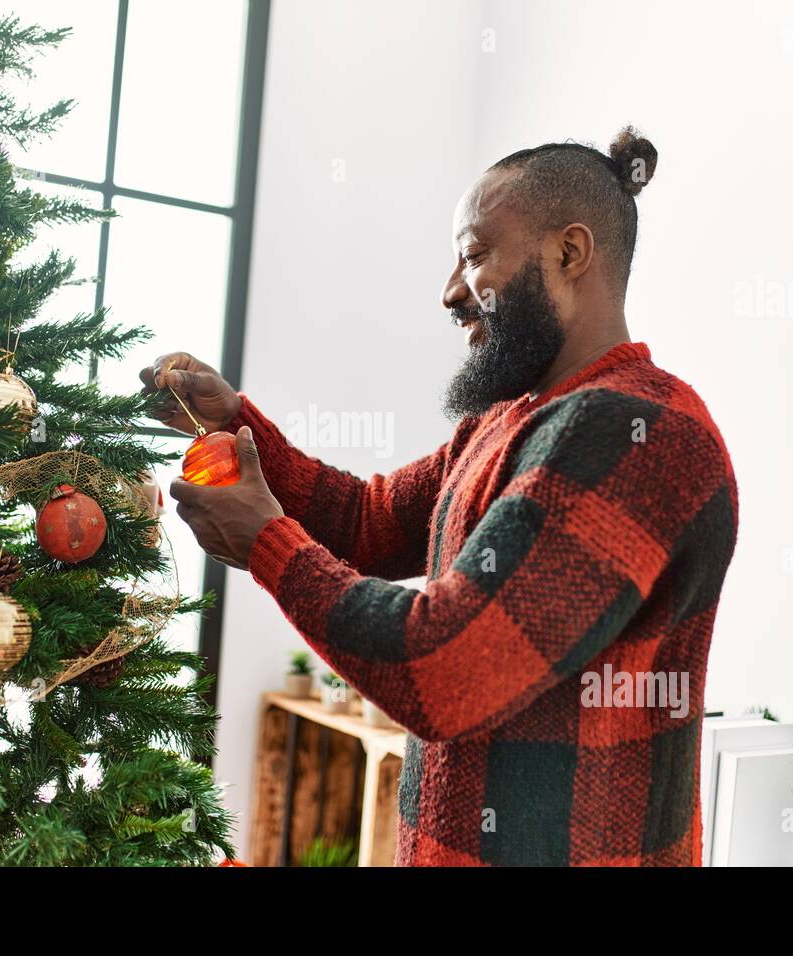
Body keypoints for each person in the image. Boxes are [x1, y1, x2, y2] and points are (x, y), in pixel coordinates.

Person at [141, 126, 739, 866]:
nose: (452, 291)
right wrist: (239, 424)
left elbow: (442, 670)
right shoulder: (511, 420)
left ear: (570, 252)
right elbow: (367, 521)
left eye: (476, 253)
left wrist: (268, 543)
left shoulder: (638, 433)